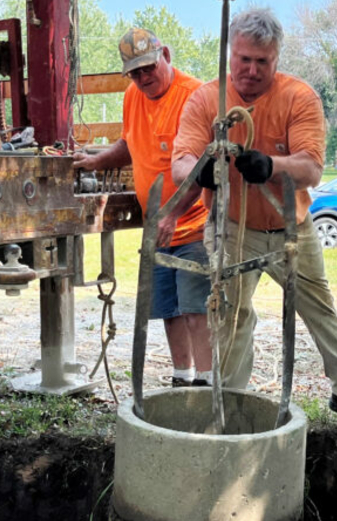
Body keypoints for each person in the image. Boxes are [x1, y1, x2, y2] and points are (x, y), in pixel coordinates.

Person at [170, 8, 337, 423]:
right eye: (243, 59)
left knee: (318, 305)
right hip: (233, 227)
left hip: (292, 227)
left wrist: (271, 167)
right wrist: (200, 170)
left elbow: (311, 168)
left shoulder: (299, 97)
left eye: (263, 61)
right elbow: (180, 161)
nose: (252, 70)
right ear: (230, 54)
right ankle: (231, 405)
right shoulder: (207, 99)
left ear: (276, 58)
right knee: (233, 315)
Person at [73, 27, 212, 387]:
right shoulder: (133, 96)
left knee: (197, 308)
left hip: (194, 223)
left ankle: (208, 385)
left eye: (148, 67)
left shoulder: (194, 96)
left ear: (165, 55)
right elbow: (129, 143)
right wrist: (96, 161)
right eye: (134, 72)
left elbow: (203, 169)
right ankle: (182, 378)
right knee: (168, 309)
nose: (142, 77)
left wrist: (175, 213)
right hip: (157, 227)